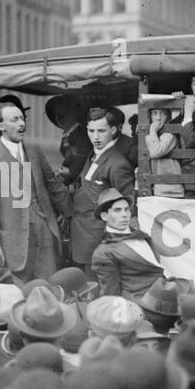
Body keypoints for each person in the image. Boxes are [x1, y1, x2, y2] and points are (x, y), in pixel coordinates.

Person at [0, 101, 71, 282]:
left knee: (48, 288)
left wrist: (70, 215)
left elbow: (53, 186)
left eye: (22, 119)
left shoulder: (33, 150)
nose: (22, 124)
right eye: (15, 120)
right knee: (19, 293)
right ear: (1, 126)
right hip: (14, 241)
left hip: (45, 232)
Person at [70, 108, 136, 274]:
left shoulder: (117, 163)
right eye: (91, 131)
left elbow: (128, 203)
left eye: (101, 131)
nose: (96, 137)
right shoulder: (93, 154)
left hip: (99, 240)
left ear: (113, 130)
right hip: (82, 237)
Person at [90, 190, 167, 301]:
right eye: (117, 210)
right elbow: (110, 294)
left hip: (163, 297)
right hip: (139, 307)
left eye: (127, 210)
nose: (124, 215)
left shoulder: (139, 233)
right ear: (104, 216)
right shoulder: (103, 253)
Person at [142, 106, 184, 197]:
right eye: (154, 113)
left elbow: (156, 151)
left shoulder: (170, 133)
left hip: (171, 189)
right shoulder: (152, 132)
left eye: (163, 113)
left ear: (168, 116)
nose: (158, 117)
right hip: (158, 187)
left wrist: (152, 130)